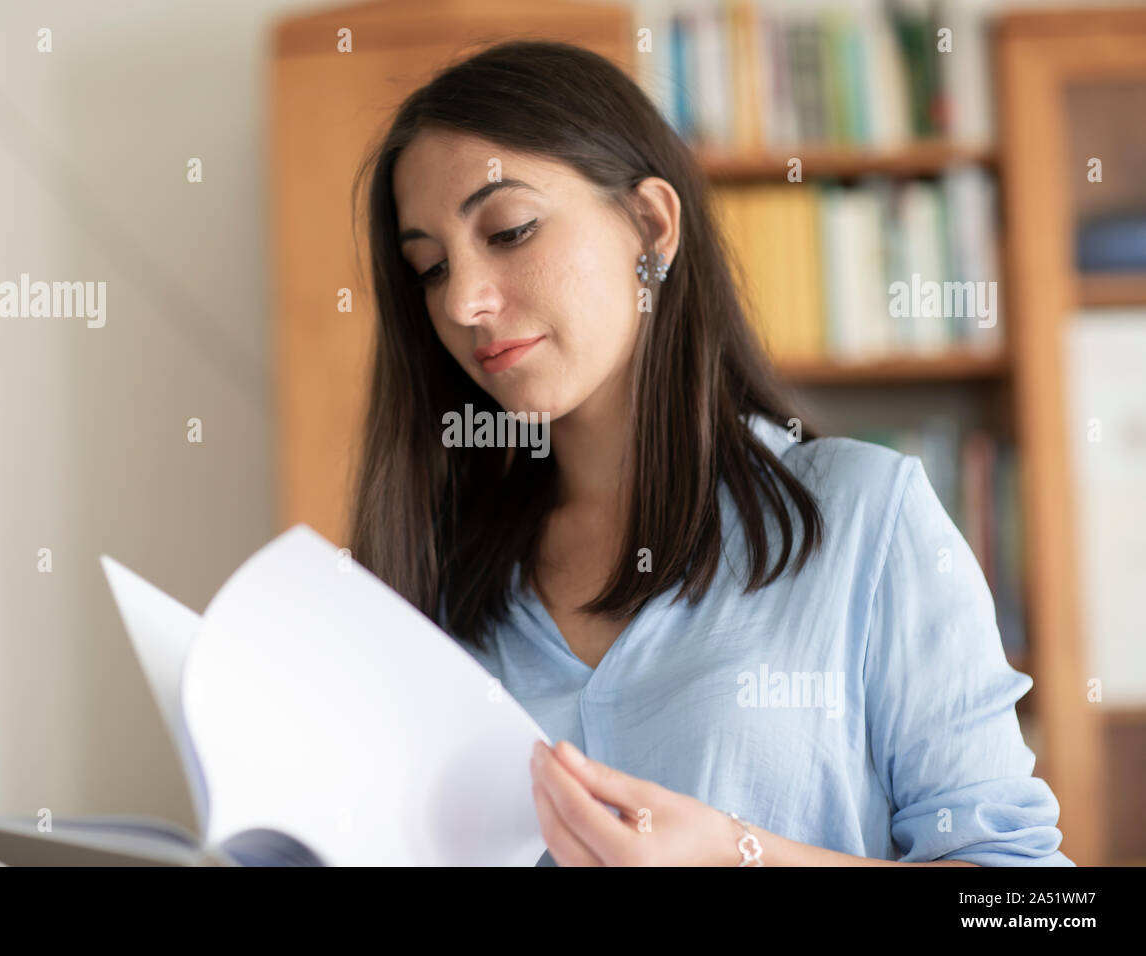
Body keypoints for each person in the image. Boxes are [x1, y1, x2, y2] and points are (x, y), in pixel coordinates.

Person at [347, 39, 1072, 866]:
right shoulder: (434, 576)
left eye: (509, 231)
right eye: (431, 268)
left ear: (651, 227)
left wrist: (741, 855)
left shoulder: (868, 518)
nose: (467, 302)